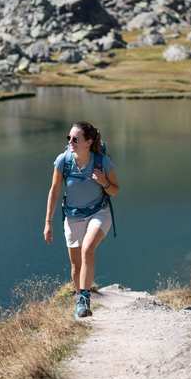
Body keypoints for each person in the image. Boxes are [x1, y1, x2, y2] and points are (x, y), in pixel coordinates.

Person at [43, 121, 119, 319]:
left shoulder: (102, 162)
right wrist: (48, 223)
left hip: (99, 213)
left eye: (75, 139)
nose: (70, 142)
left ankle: (85, 299)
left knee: (88, 249)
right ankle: (79, 299)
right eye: (68, 138)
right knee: (76, 265)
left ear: (89, 142)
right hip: (72, 216)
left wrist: (103, 182)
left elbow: (115, 190)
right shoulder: (63, 161)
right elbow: (54, 191)